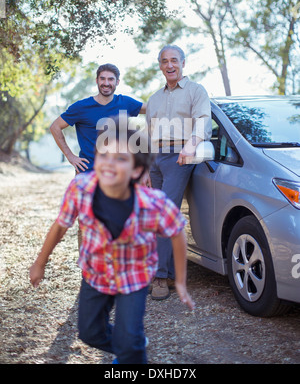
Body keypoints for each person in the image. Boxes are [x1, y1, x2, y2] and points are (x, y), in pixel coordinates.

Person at [29, 118, 194, 364]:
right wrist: (40, 263)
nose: (109, 163)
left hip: (134, 275)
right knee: (90, 333)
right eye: (104, 155)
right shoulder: (81, 188)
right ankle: (131, 344)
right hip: (96, 273)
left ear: (137, 170)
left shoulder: (153, 203)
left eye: (120, 158)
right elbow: (61, 225)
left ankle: (130, 350)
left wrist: (180, 281)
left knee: (130, 345)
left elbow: (177, 232)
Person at [146, 44, 212, 301]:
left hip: (182, 157)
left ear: (183, 63)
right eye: (165, 61)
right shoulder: (154, 98)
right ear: (161, 65)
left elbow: (203, 121)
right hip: (156, 159)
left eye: (174, 60)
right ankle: (171, 273)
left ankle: (160, 277)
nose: (169, 65)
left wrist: (191, 145)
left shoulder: (196, 91)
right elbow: (150, 135)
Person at [50, 63, 146, 174]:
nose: (106, 83)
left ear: (117, 82)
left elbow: (154, 109)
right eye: (102, 79)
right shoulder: (81, 107)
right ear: (97, 80)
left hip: (117, 173)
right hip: (88, 172)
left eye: (110, 79)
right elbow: (55, 127)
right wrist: (70, 157)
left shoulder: (126, 103)